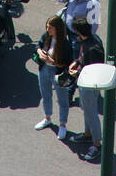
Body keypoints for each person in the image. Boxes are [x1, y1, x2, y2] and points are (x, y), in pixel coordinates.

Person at [66, 18, 104, 160]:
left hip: (89, 85)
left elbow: (94, 71)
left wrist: (77, 73)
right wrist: (76, 63)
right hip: (84, 83)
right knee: (86, 110)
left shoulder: (93, 48)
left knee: (91, 113)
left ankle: (97, 144)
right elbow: (82, 58)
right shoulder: (89, 41)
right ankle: (88, 135)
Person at [34, 15, 72, 136]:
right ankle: (47, 118)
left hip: (57, 72)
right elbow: (37, 46)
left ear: (57, 29)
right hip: (44, 69)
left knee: (62, 99)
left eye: (50, 28)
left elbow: (68, 62)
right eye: (47, 27)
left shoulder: (65, 44)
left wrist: (53, 61)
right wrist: (40, 52)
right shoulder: (46, 36)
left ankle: (62, 124)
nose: (48, 30)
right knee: (45, 95)